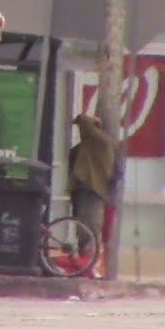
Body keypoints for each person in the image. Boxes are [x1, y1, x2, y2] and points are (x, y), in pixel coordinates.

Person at [66, 113, 115, 276]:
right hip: (83, 189)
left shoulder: (101, 142)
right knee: (83, 226)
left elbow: (84, 120)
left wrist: (92, 120)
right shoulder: (86, 147)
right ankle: (84, 265)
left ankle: (89, 266)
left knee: (89, 228)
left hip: (91, 190)